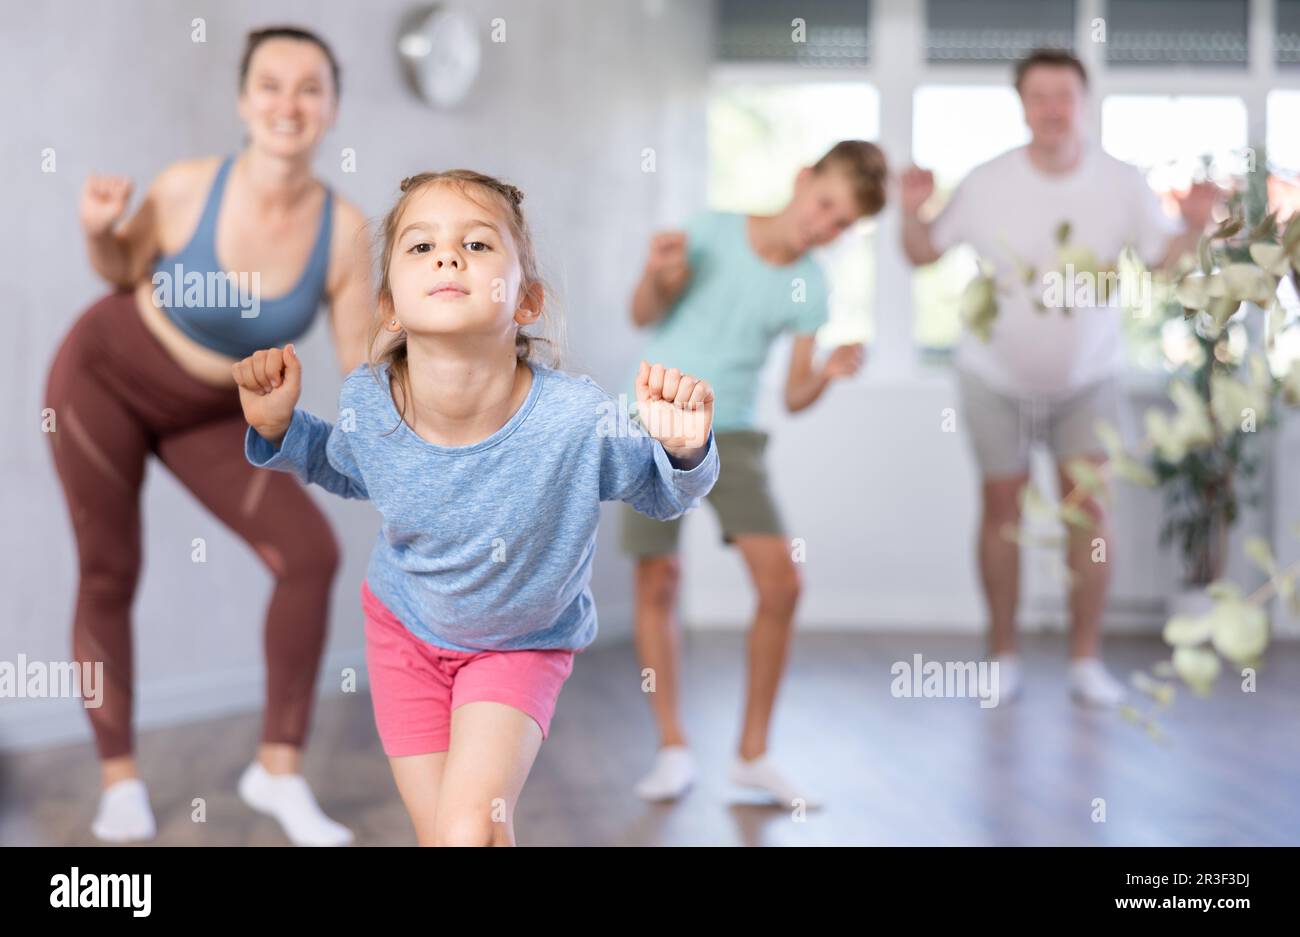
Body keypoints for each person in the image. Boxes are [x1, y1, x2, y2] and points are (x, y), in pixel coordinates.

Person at [235, 169, 720, 845]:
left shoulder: (574, 420)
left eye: (478, 244)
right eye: (420, 245)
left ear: (526, 300)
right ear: (389, 308)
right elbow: (340, 465)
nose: (448, 255)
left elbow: (660, 490)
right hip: (404, 632)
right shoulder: (371, 402)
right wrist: (278, 428)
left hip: (519, 645)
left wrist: (686, 451)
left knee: (469, 830)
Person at [44, 26, 373, 844]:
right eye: (270, 85)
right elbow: (121, 269)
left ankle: (278, 770)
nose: (288, 104)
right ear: (243, 100)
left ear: (332, 107)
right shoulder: (191, 186)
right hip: (104, 379)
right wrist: (96, 227)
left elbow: (362, 363)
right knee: (110, 568)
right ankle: (120, 780)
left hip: (215, 411)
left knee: (310, 554)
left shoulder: (345, 231)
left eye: (308, 87)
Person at [899, 48, 1218, 707]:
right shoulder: (987, 182)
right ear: (1022, 105)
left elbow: (1164, 265)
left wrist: (1194, 223)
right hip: (992, 377)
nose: (1052, 107)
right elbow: (924, 252)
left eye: (1063, 95)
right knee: (1000, 510)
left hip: (1088, 379)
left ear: (1083, 101)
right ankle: (1003, 656)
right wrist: (909, 209)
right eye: (1038, 95)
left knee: (1089, 512)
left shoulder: (1121, 182)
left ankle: (1083, 661)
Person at [624, 140, 888, 804]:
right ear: (804, 179)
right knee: (659, 578)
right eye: (825, 205)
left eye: (841, 225)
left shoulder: (813, 287)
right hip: (652, 417)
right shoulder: (712, 230)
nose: (824, 227)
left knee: (782, 584)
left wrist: (827, 371)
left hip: (731, 433)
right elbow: (643, 313)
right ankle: (672, 747)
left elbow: (795, 396)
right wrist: (659, 274)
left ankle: (752, 754)